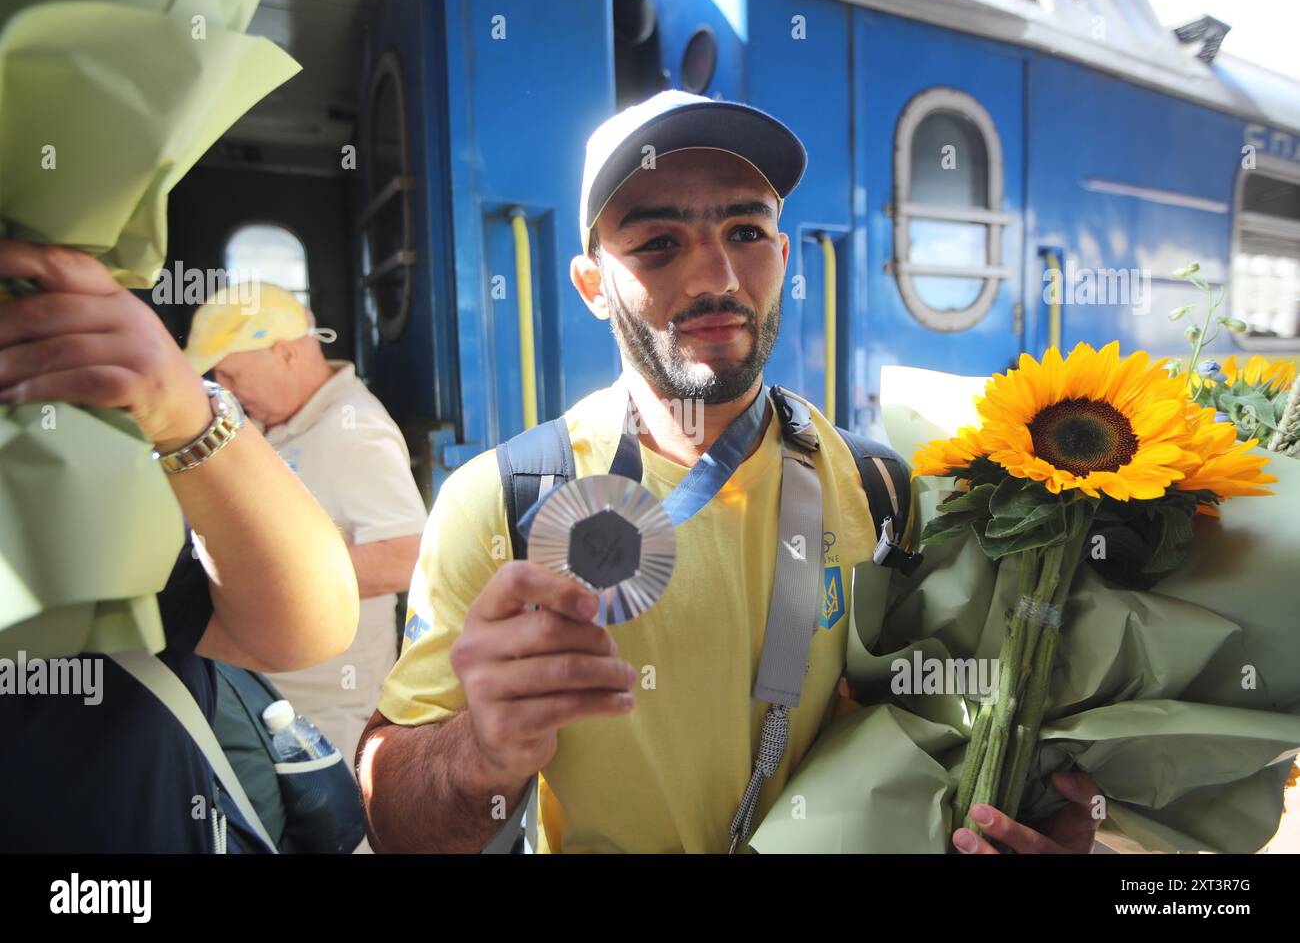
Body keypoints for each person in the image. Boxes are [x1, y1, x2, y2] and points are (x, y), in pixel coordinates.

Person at [356, 91, 1101, 854]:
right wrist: (478, 752)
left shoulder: (884, 491)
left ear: (782, 258)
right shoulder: (505, 501)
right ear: (590, 286)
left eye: (745, 231)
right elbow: (397, 825)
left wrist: (1024, 806)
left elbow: (934, 735)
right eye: (657, 244)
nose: (717, 276)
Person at [0, 240, 359, 852]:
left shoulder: (75, 486)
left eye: (230, 375)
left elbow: (306, 624)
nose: (222, 382)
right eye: (214, 375)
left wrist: (186, 417)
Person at [185, 282, 427, 777]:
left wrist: (255, 582)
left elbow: (406, 554)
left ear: (286, 353)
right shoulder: (286, 422)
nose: (226, 386)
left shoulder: (352, 428)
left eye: (231, 372)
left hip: (329, 709)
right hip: (277, 695)